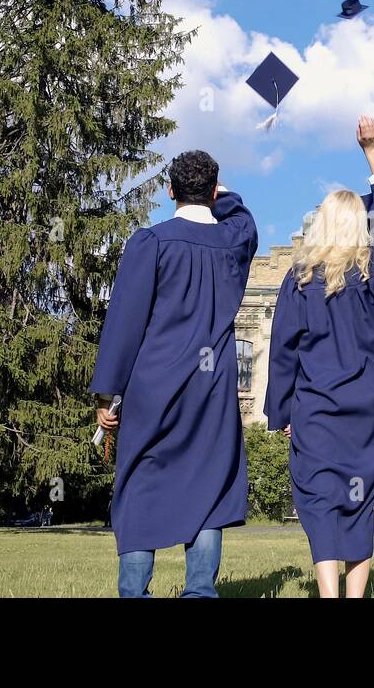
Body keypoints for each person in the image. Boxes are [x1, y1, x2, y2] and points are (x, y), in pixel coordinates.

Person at [91, 150, 257, 598]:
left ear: (169, 191)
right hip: (213, 387)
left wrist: (107, 394)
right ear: (215, 189)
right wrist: (220, 195)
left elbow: (124, 322)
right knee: (208, 486)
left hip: (153, 383)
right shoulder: (235, 241)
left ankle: (134, 593)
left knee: (141, 483)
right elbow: (242, 216)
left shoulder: (151, 242)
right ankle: (200, 592)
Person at [265, 116, 374, 598]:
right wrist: (372, 154)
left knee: (320, 500)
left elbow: (282, 351)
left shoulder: (299, 280)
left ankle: (328, 594)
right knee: (359, 501)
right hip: (366, 412)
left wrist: (280, 411)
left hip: (318, 410)